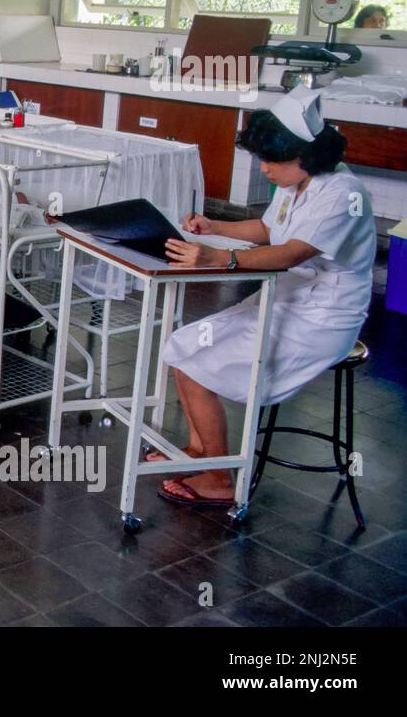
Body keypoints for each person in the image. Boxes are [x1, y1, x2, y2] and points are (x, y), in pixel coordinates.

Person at [154, 88, 375, 507]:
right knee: (182, 345)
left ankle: (220, 479)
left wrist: (219, 256)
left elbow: (294, 251)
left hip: (323, 317)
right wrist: (212, 225)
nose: (265, 169)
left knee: (199, 368)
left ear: (306, 158)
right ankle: (201, 451)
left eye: (273, 161)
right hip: (285, 294)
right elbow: (268, 230)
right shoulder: (297, 182)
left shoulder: (343, 193)